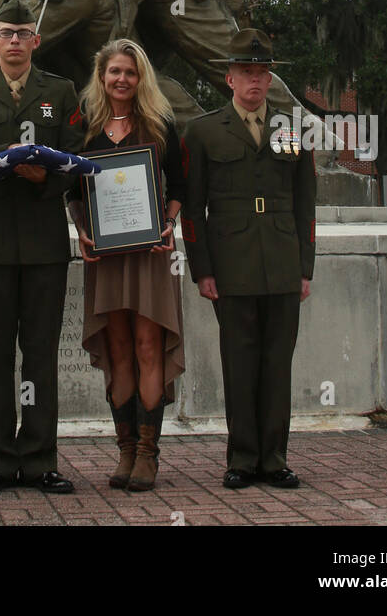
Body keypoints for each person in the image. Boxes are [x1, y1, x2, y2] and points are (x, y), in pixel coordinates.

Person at [0, 0, 83, 495]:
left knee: (41, 354)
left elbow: (74, 159)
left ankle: (41, 458)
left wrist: (42, 176)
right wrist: (3, 159)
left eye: (22, 34)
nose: (14, 42)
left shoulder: (60, 91)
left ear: (35, 41)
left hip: (45, 242)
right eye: (5, 34)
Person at [183, 28, 316, 490]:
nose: (255, 81)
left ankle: (274, 458)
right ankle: (241, 457)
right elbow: (192, 207)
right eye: (246, 72)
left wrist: (304, 267)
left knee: (278, 364)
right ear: (230, 78)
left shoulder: (291, 128)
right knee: (240, 363)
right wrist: (202, 268)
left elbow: (305, 202)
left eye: (261, 73)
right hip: (232, 264)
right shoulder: (202, 132)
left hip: (281, 261)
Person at [68, 39, 187, 491]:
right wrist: (79, 227)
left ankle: (148, 455)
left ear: (141, 79)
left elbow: (179, 183)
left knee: (147, 346)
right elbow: (72, 191)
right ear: (101, 77)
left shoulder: (159, 125)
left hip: (150, 253)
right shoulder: (86, 129)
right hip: (105, 253)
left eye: (130, 73)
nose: (122, 79)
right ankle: (124, 451)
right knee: (118, 349)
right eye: (114, 71)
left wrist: (169, 223)